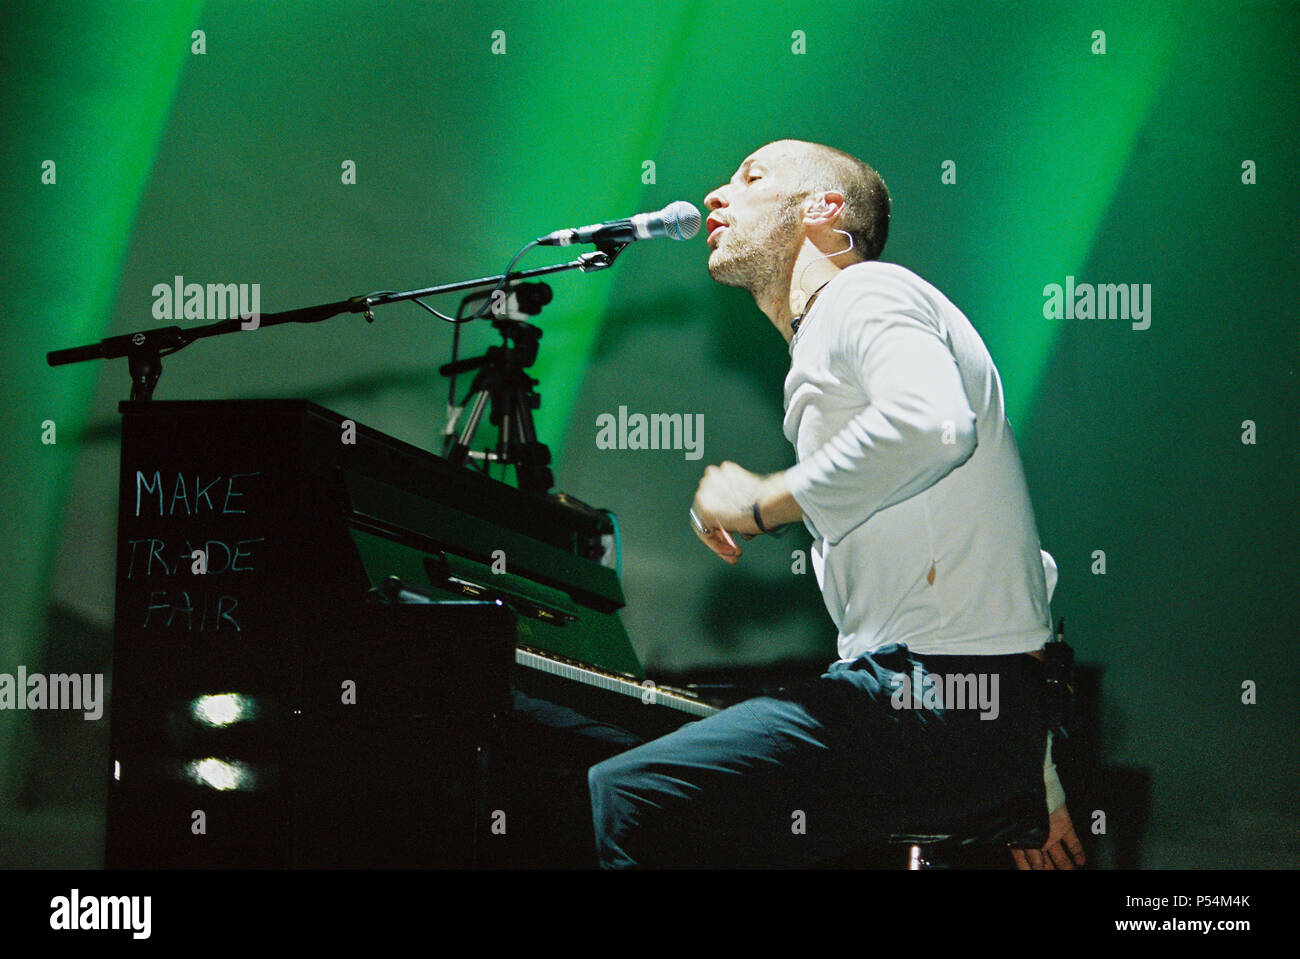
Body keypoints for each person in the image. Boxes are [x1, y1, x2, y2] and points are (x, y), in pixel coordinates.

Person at [585, 139, 1085, 869]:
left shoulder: (863, 293)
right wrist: (1031, 781)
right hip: (970, 708)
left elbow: (931, 423)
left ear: (824, 210)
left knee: (629, 795)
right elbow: (1021, 574)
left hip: (929, 698)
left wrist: (764, 501)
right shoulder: (834, 341)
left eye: (751, 177)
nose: (717, 196)